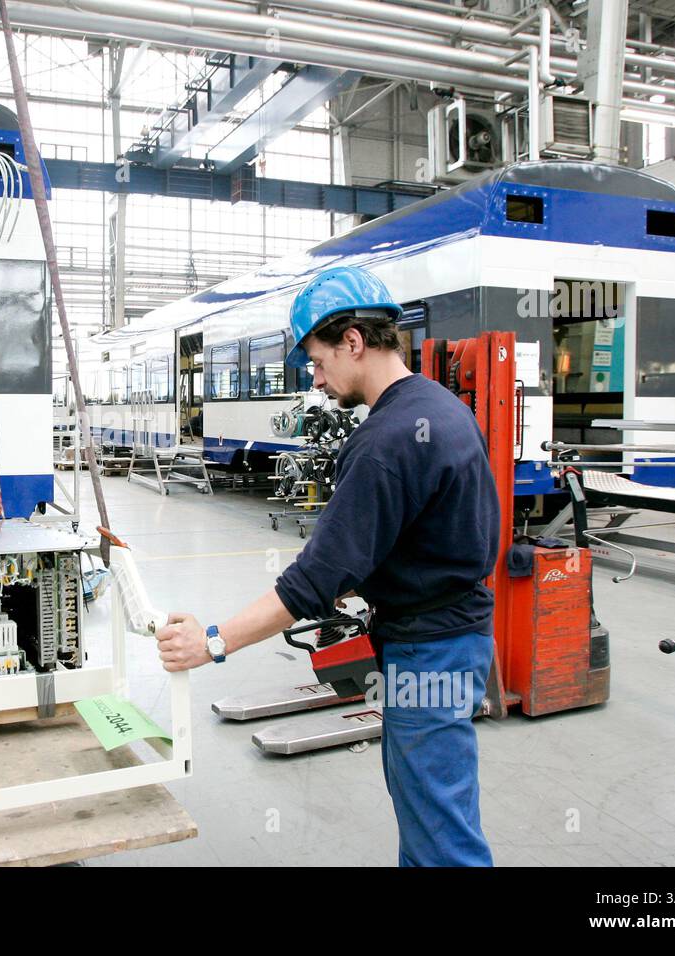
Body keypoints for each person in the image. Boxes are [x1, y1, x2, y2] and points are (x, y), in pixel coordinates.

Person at [155, 266, 500, 866]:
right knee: (437, 808)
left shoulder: (385, 441)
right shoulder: (444, 408)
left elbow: (309, 584)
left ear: (354, 342)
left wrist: (211, 642)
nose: (316, 380)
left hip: (429, 649)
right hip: (458, 636)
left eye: (316, 362)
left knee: (439, 834)